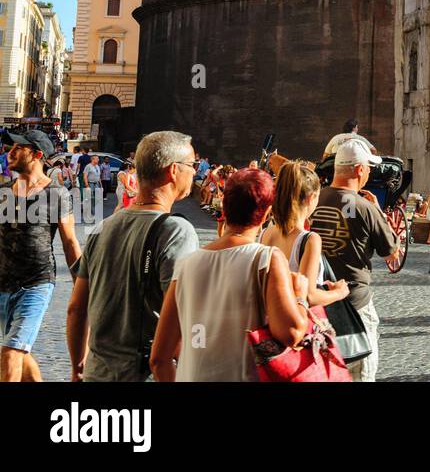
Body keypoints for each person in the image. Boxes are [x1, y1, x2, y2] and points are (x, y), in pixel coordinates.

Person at [67, 131, 200, 382]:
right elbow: (183, 317)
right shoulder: (176, 231)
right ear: (173, 171)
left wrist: (77, 368)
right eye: (192, 165)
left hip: (97, 373)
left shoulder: (103, 227)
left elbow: (76, 309)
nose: (195, 172)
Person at [152, 168, 310, 381]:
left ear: (224, 206)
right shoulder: (266, 258)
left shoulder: (185, 265)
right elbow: (291, 332)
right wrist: (299, 295)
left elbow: (159, 359)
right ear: (266, 213)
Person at [308, 137, 400, 382]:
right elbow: (391, 251)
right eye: (369, 167)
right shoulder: (364, 206)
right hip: (355, 305)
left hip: (317, 307)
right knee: (359, 375)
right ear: (360, 169)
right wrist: (378, 211)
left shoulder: (313, 200)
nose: (370, 172)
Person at [0, 130, 80, 382]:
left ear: (37, 155)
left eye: (17, 148)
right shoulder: (3, 190)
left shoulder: (56, 194)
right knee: (22, 352)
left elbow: (69, 242)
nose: (9, 152)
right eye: (10, 147)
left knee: (11, 352)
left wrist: (82, 286)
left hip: (36, 284)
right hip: (2, 284)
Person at [260, 160, 351, 308]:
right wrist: (339, 293)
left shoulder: (265, 234)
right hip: (298, 320)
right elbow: (309, 295)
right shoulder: (310, 239)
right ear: (311, 198)